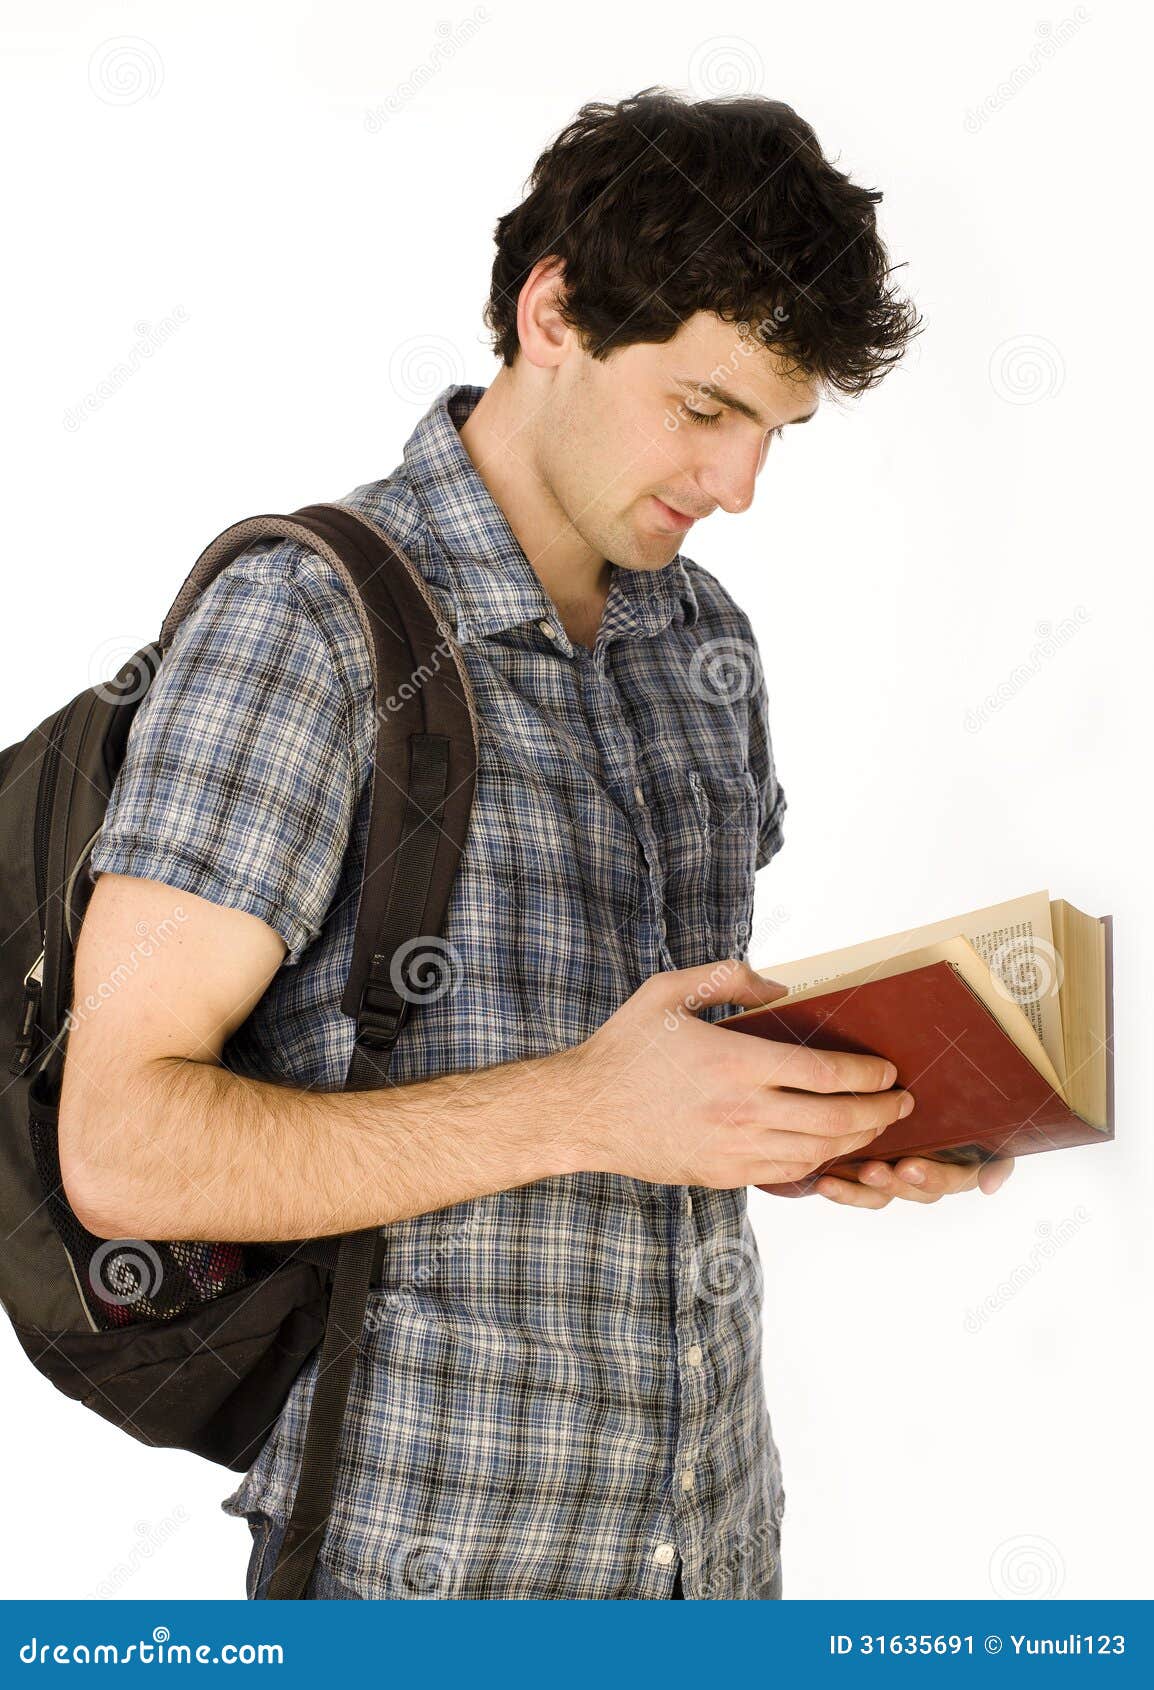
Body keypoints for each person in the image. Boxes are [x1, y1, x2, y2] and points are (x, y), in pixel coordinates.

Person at [58, 86, 1014, 1602]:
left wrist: (802, 1118)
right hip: (426, 1584)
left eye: (774, 429)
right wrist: (586, 1107)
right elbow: (121, 1145)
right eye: (704, 409)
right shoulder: (303, 624)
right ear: (553, 308)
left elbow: (650, 1083)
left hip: (713, 1563)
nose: (738, 485)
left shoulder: (703, 643)